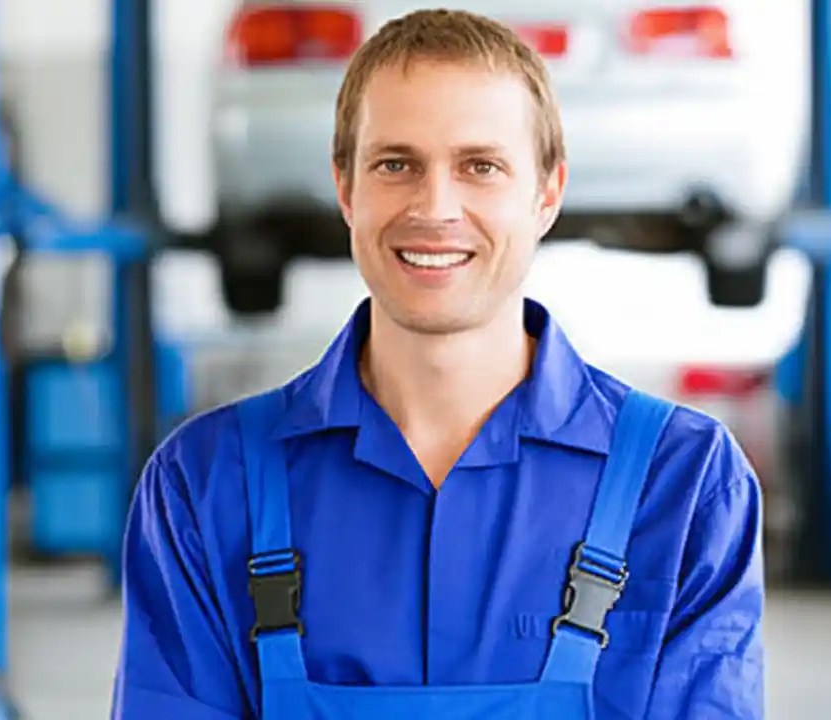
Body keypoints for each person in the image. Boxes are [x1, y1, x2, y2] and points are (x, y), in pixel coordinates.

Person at [110, 8, 764, 719]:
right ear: (345, 188)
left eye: (480, 166)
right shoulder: (207, 486)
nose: (436, 206)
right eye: (397, 164)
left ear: (546, 192)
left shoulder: (684, 485)